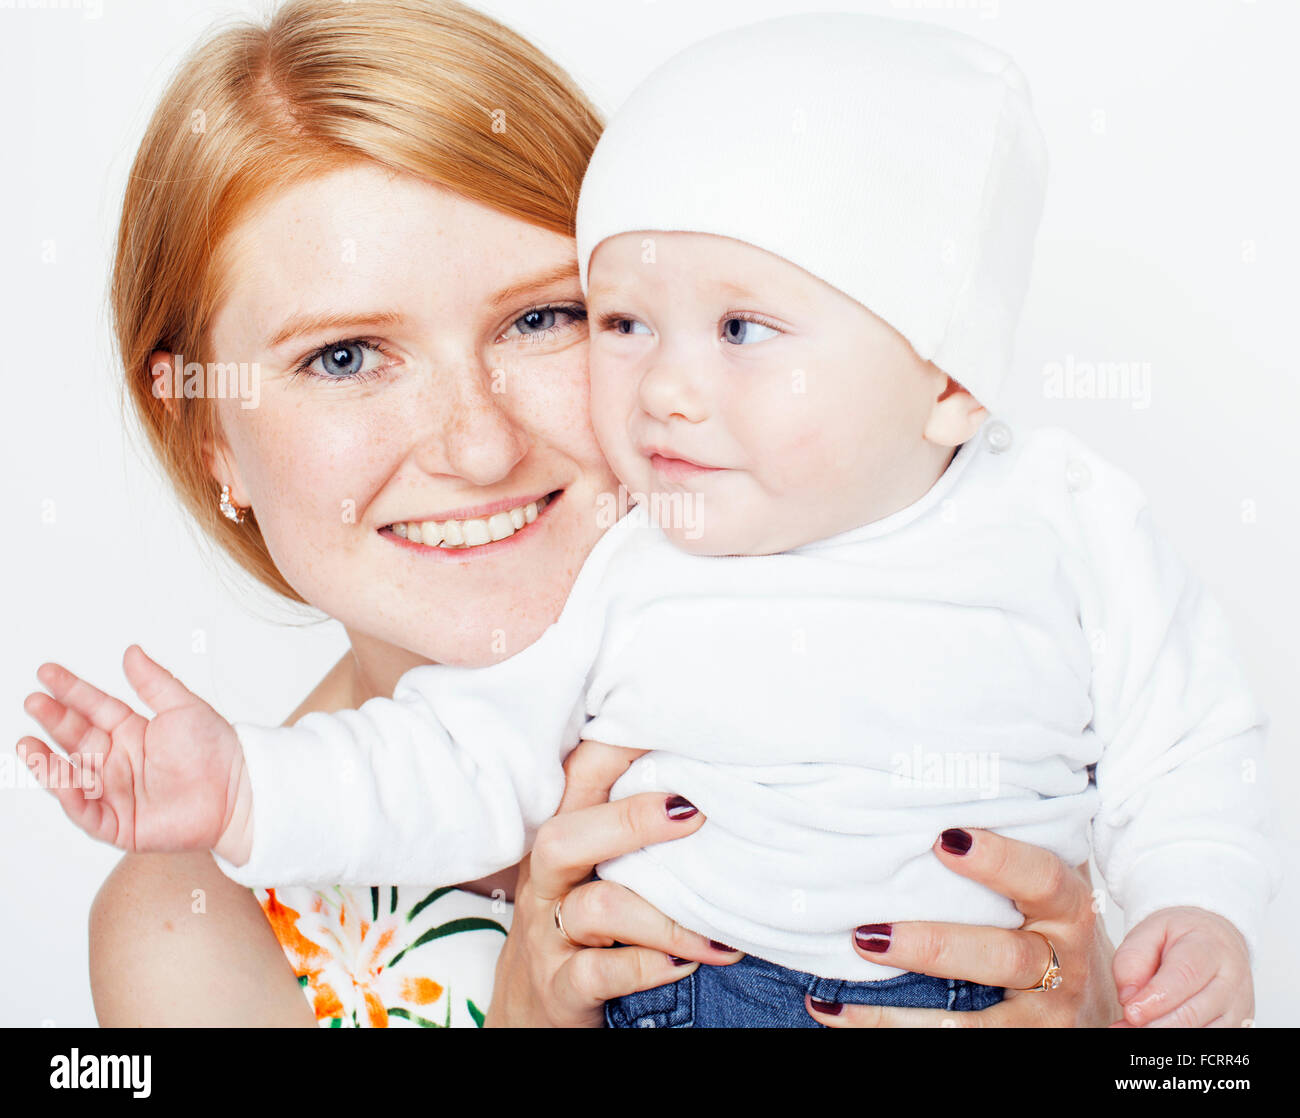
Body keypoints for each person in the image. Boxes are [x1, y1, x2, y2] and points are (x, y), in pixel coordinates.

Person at [21, 0, 1131, 1028]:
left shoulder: (953, 618)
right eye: (345, 355)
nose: (480, 442)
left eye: (544, 318)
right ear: (210, 435)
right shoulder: (194, 918)